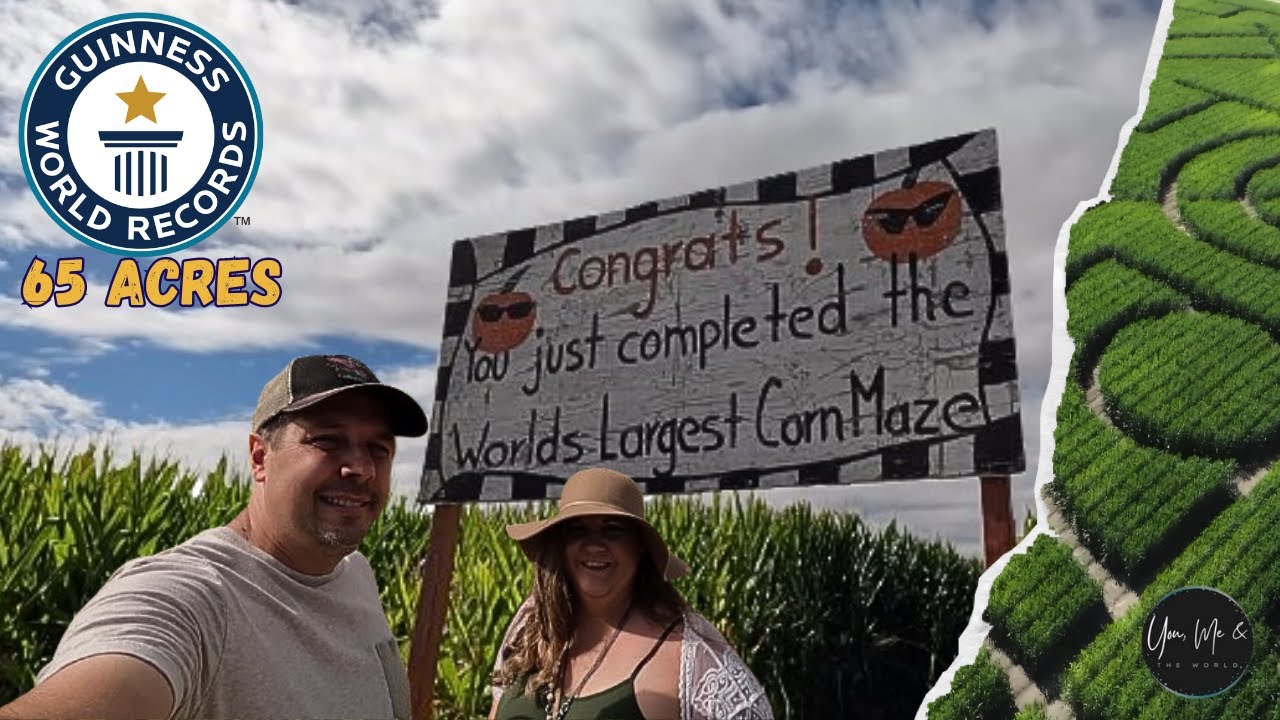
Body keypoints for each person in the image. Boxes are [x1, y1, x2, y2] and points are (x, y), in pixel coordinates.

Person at [0, 354, 428, 720]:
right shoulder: (193, 597)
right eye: (328, 441)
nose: (362, 469)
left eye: (378, 449)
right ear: (260, 458)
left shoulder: (354, 570)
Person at [488, 466, 773, 720]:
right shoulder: (531, 626)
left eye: (612, 530)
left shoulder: (686, 659)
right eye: (577, 530)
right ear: (559, 546)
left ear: (640, 548)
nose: (594, 545)